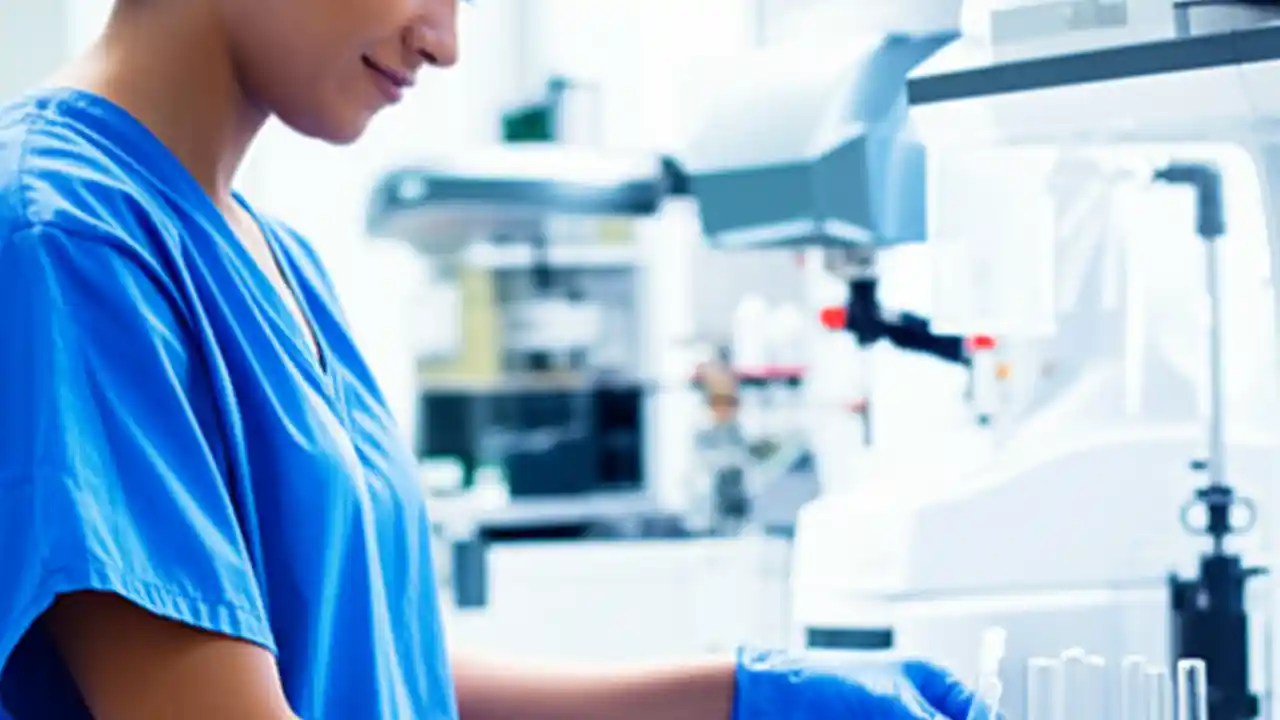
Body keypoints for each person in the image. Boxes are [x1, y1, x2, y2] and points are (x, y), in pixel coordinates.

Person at [0, 1, 980, 718]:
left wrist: (730, 694)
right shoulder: (61, 238)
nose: (445, 40)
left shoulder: (270, 252)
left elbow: (380, 671)